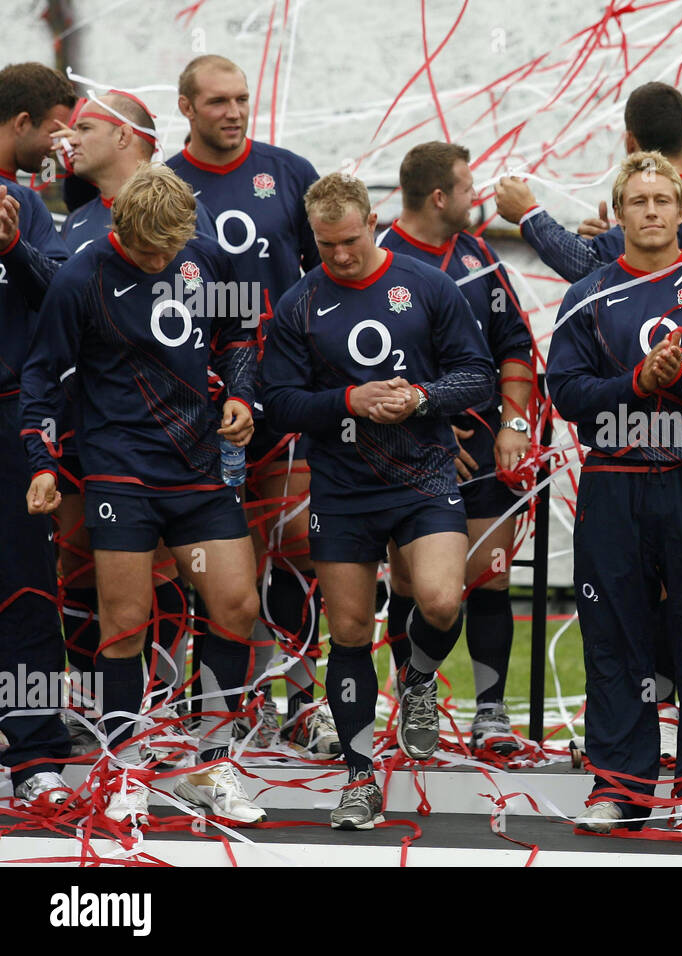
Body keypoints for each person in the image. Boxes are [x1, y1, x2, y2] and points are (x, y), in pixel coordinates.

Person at [22, 164, 266, 826]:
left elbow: (241, 332)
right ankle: (126, 766)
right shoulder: (83, 277)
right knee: (125, 622)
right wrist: (41, 462)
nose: (163, 260)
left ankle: (212, 765)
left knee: (236, 606)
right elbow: (42, 377)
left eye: (171, 248)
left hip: (198, 466)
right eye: (151, 249)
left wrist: (241, 394)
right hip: (120, 469)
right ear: (124, 228)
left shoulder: (202, 257)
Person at [262, 172, 494, 829]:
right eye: (325, 244)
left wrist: (421, 398)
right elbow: (277, 403)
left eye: (349, 240)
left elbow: (475, 375)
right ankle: (361, 778)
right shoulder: (300, 304)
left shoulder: (428, 286)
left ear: (372, 218)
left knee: (442, 598)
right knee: (352, 632)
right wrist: (347, 400)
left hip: (422, 476)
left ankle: (417, 679)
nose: (338, 255)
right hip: (343, 486)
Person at [547, 150, 682, 833]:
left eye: (660, 200)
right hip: (616, 481)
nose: (648, 211)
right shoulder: (587, 293)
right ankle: (621, 785)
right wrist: (637, 384)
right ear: (616, 213)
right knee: (615, 637)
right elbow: (568, 394)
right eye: (635, 201)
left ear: (681, 210)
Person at [167, 55, 331, 755]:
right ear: (186, 107)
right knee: (205, 561)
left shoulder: (289, 171)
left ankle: (302, 699)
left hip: (283, 394)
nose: (232, 112)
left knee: (296, 548)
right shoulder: (164, 184)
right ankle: (209, 704)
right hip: (195, 402)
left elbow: (334, 272)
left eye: (241, 100)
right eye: (216, 102)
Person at [378, 141, 535, 754]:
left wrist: (514, 425)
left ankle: (491, 713)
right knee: (416, 588)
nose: (481, 198)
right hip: (406, 454)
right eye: (470, 188)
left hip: (484, 449)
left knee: (489, 577)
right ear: (439, 196)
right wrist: (429, 436)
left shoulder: (480, 257)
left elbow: (516, 348)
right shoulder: (380, 258)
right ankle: (416, 695)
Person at [58, 92, 203, 739]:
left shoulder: (178, 211)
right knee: (78, 564)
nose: (69, 138)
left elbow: (226, 322)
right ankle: (99, 713)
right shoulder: (72, 222)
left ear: (127, 137)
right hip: (77, 426)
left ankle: (164, 713)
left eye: (84, 127)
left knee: (169, 567)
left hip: (163, 438)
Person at [0, 61, 75, 810]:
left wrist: (12, 249)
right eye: (55, 125)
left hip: (11, 413)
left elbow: (61, 296)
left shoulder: (26, 202)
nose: (63, 143)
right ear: (22, 121)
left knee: (25, 586)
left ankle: (35, 759)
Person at [494, 82, 682, 282]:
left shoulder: (680, 198)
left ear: (630, 142)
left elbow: (589, 265)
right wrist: (622, 242)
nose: (652, 208)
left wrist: (528, 214)